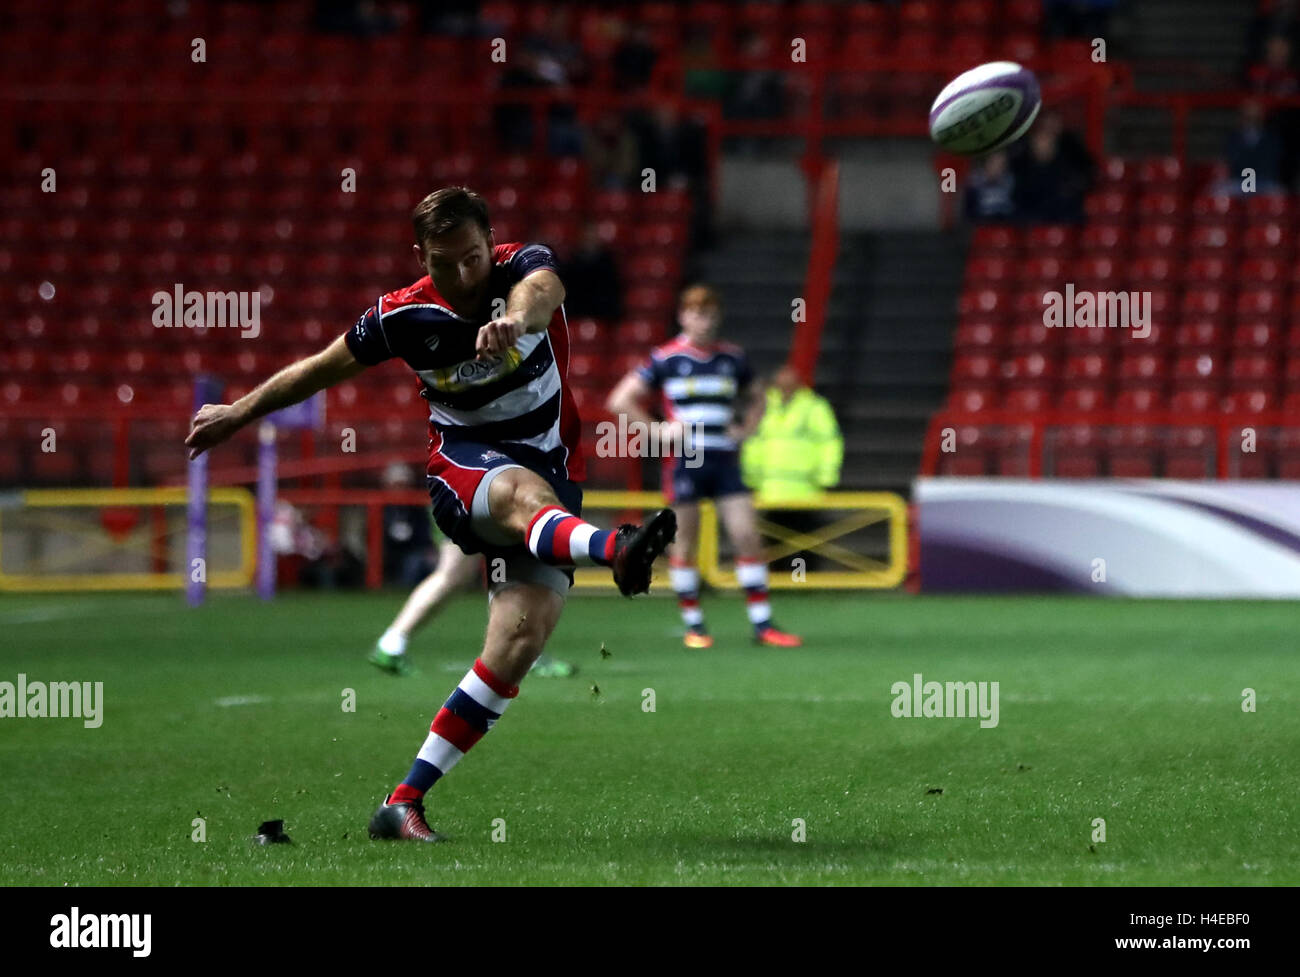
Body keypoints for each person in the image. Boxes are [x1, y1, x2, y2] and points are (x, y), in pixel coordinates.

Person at [187, 186, 676, 842]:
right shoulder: (401, 315)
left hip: (554, 471)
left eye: (472, 256)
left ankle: (402, 802)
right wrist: (237, 413)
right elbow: (318, 370)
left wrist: (513, 322)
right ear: (421, 256)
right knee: (519, 494)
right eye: (444, 262)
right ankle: (615, 549)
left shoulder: (525, 265)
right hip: (465, 472)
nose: (462, 273)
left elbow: (543, 292)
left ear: (489, 244)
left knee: (515, 645)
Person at [605, 284, 802, 650]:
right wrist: (658, 431)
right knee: (686, 543)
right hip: (686, 460)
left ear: (718, 317)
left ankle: (762, 625)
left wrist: (745, 429)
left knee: (747, 535)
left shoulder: (733, 357)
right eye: (696, 313)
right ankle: (695, 626)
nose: (703, 320)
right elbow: (619, 399)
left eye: (709, 313)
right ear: (683, 316)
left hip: (725, 459)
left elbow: (759, 397)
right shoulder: (666, 358)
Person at [369, 531, 577, 679]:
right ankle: (522, 655)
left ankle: (392, 643)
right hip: (492, 490)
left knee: (454, 574)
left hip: (467, 487)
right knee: (504, 572)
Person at [740, 364, 843, 572]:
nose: (785, 389)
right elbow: (752, 441)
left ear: (799, 385)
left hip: (805, 488)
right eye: (781, 385)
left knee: (804, 541)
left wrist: (826, 475)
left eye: (789, 385)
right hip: (771, 489)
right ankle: (777, 581)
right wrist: (751, 476)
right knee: (773, 541)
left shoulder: (814, 407)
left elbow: (830, 442)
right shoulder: (764, 407)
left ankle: (801, 580)